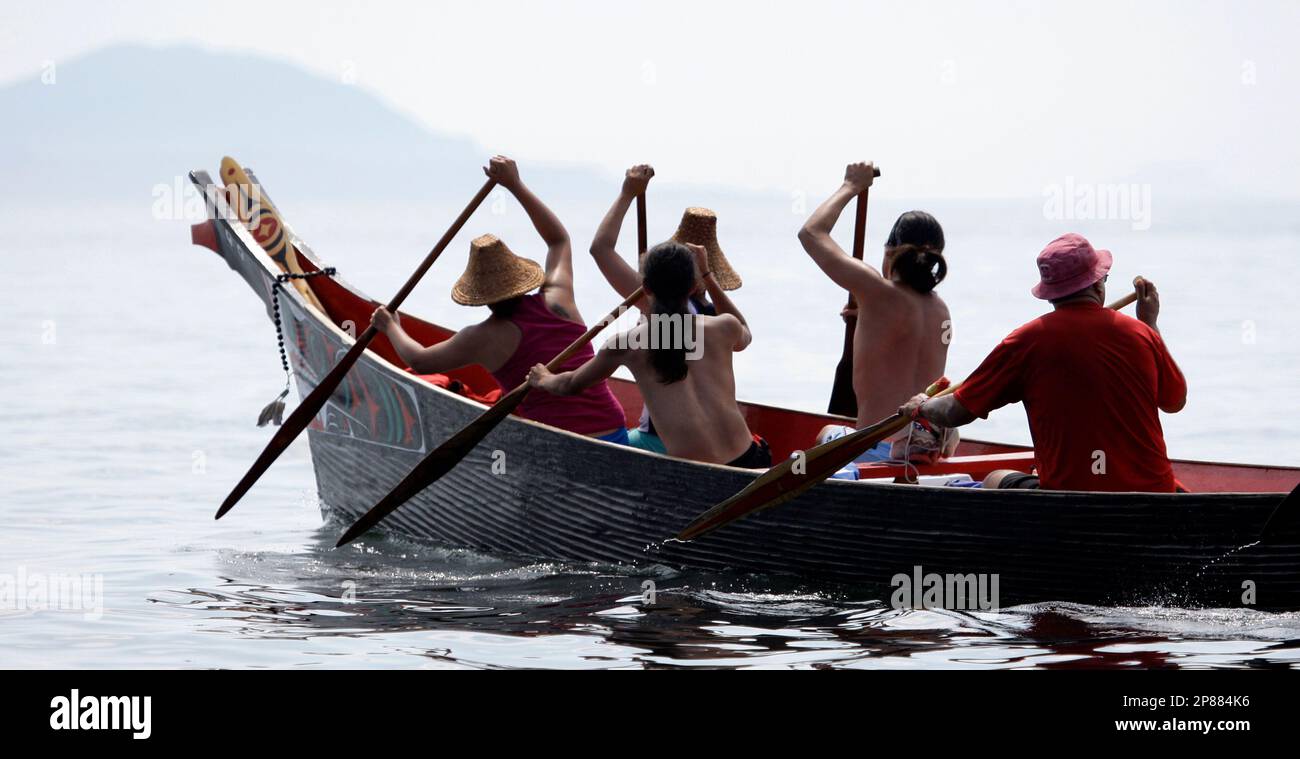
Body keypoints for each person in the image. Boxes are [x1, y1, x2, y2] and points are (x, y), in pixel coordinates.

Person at [899, 233, 1187, 492]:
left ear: (1050, 294)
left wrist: (922, 406)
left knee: (994, 478)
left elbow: (954, 412)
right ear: (1098, 284)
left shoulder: (1025, 342)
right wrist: (1150, 324)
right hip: (1154, 495)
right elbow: (1174, 402)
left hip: (1069, 498)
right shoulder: (1142, 334)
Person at [370, 155, 627, 443]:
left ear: (480, 297)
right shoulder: (559, 299)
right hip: (614, 429)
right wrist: (515, 185)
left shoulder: (479, 337)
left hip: (559, 443)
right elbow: (559, 240)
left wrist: (390, 325)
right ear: (520, 280)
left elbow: (419, 361)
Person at [528, 241, 770, 468]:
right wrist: (708, 275)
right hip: (751, 461)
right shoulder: (724, 327)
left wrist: (543, 378)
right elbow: (744, 331)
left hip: (696, 476)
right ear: (694, 287)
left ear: (645, 288)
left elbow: (570, 385)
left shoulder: (626, 343)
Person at [799, 161, 956, 467]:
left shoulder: (876, 291)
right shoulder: (941, 310)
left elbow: (811, 233)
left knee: (827, 433)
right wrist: (864, 320)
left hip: (874, 450)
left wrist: (851, 185)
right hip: (923, 450)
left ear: (889, 253)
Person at [587, 163, 744, 452]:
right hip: (725, 444)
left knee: (590, 445)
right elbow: (744, 336)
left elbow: (601, 249)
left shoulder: (650, 303)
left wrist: (627, 193)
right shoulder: (718, 321)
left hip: (666, 444)